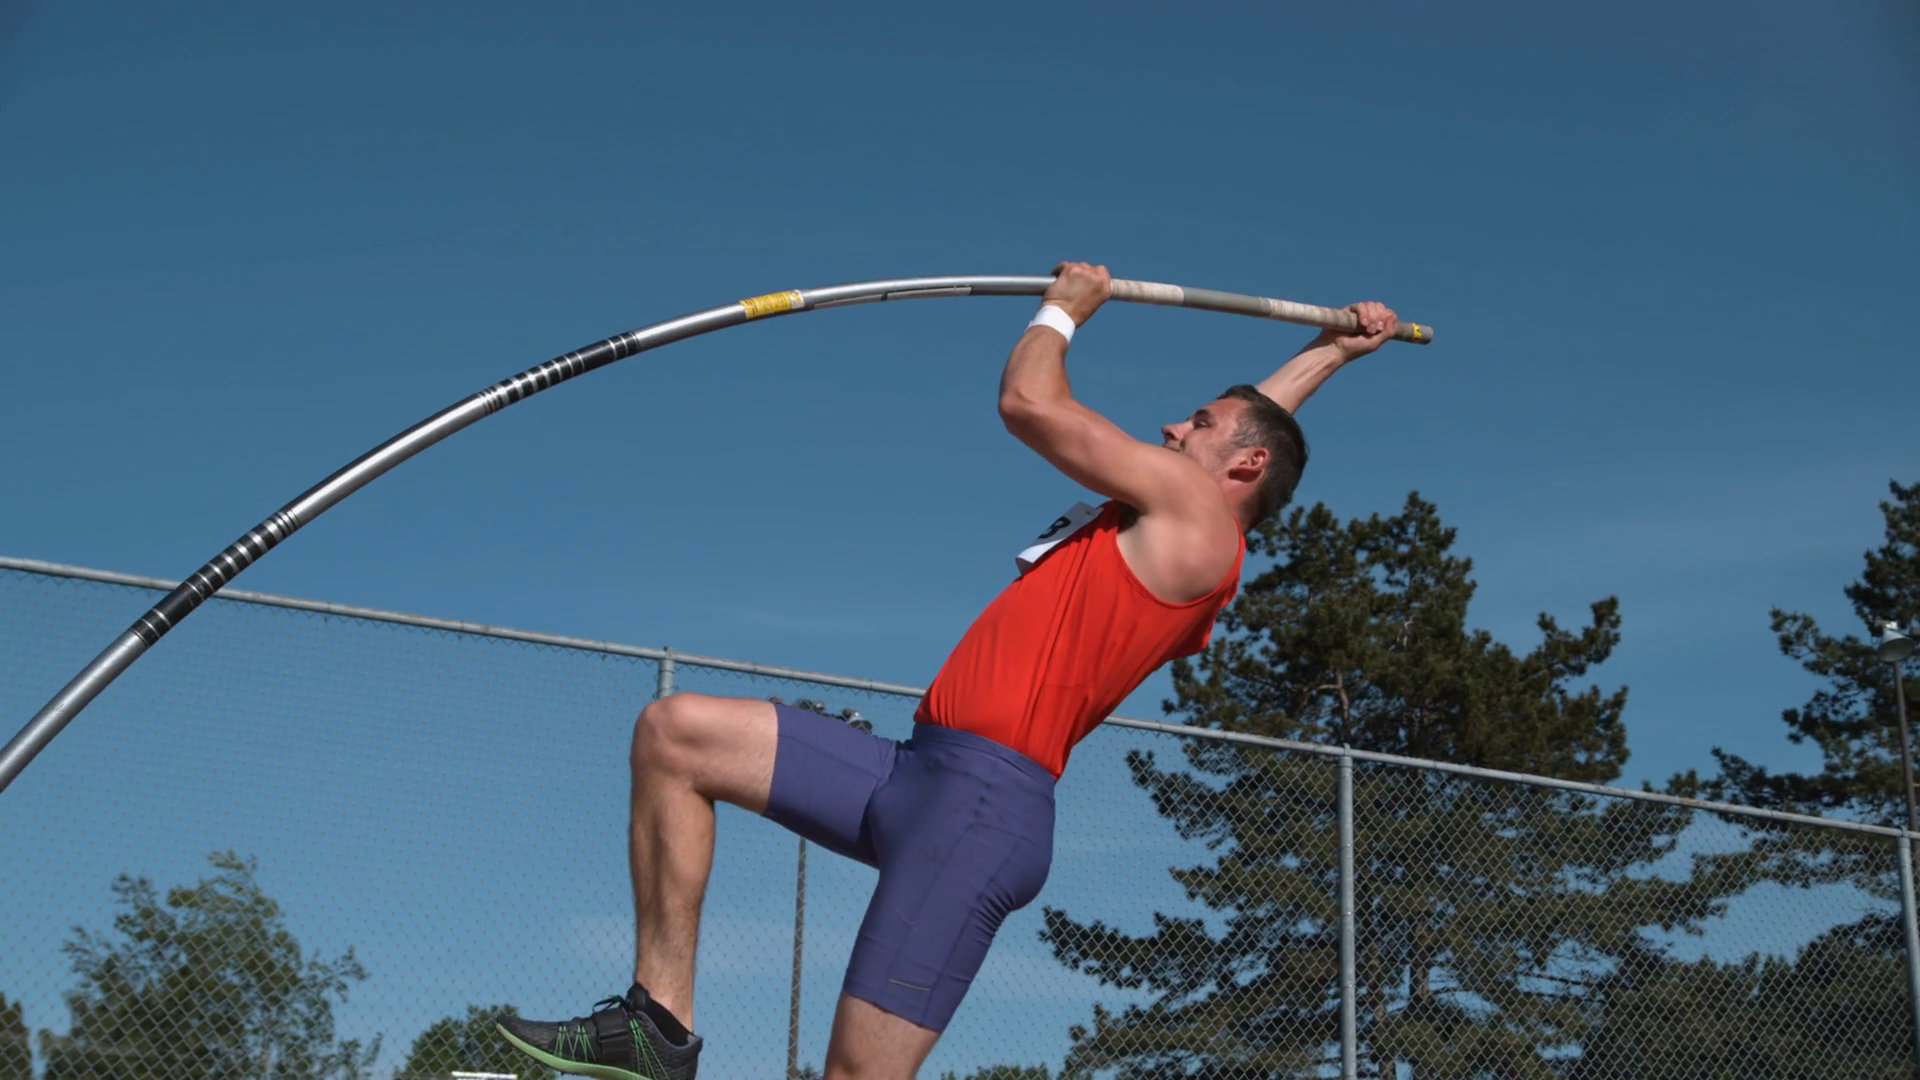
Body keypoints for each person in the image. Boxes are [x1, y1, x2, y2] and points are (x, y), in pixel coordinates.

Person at [496, 264, 1401, 1080]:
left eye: (1195, 422)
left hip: (981, 810)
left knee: (859, 1076)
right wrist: (1332, 351)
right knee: (675, 735)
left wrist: (1064, 310)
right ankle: (658, 1023)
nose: (1172, 423)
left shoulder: (1198, 517)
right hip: (913, 770)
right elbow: (1258, 426)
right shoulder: (1188, 499)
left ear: (1238, 467)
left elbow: (1029, 403)